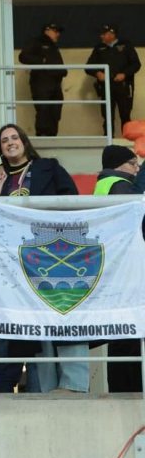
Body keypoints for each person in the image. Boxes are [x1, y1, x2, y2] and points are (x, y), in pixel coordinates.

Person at [0, 124, 81, 393]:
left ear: (24, 141)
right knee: (30, 325)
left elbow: (71, 199)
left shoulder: (48, 167)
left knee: (64, 314)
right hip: (17, 263)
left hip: (54, 255)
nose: (9, 143)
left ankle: (72, 385)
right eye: (4, 141)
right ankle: (43, 388)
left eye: (14, 137)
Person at [93, 145, 141, 392]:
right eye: (133, 163)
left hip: (113, 268)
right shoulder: (122, 187)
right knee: (129, 338)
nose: (137, 167)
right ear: (120, 165)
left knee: (120, 337)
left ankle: (122, 391)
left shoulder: (103, 185)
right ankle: (129, 394)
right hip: (126, 269)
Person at [85, 24, 142, 136]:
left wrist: (124, 74)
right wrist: (97, 73)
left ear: (112, 34)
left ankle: (127, 138)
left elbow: (136, 64)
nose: (102, 36)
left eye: (104, 34)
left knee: (125, 114)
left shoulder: (125, 45)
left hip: (123, 86)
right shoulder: (99, 48)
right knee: (107, 115)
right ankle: (108, 138)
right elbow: (88, 66)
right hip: (106, 87)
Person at [19, 23, 68, 137]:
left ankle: (52, 136)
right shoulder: (36, 42)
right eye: (56, 31)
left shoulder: (54, 47)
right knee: (43, 110)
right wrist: (43, 60)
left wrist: (62, 71)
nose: (58, 34)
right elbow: (23, 57)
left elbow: (57, 64)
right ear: (47, 30)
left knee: (55, 111)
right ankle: (42, 135)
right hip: (41, 83)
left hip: (55, 83)